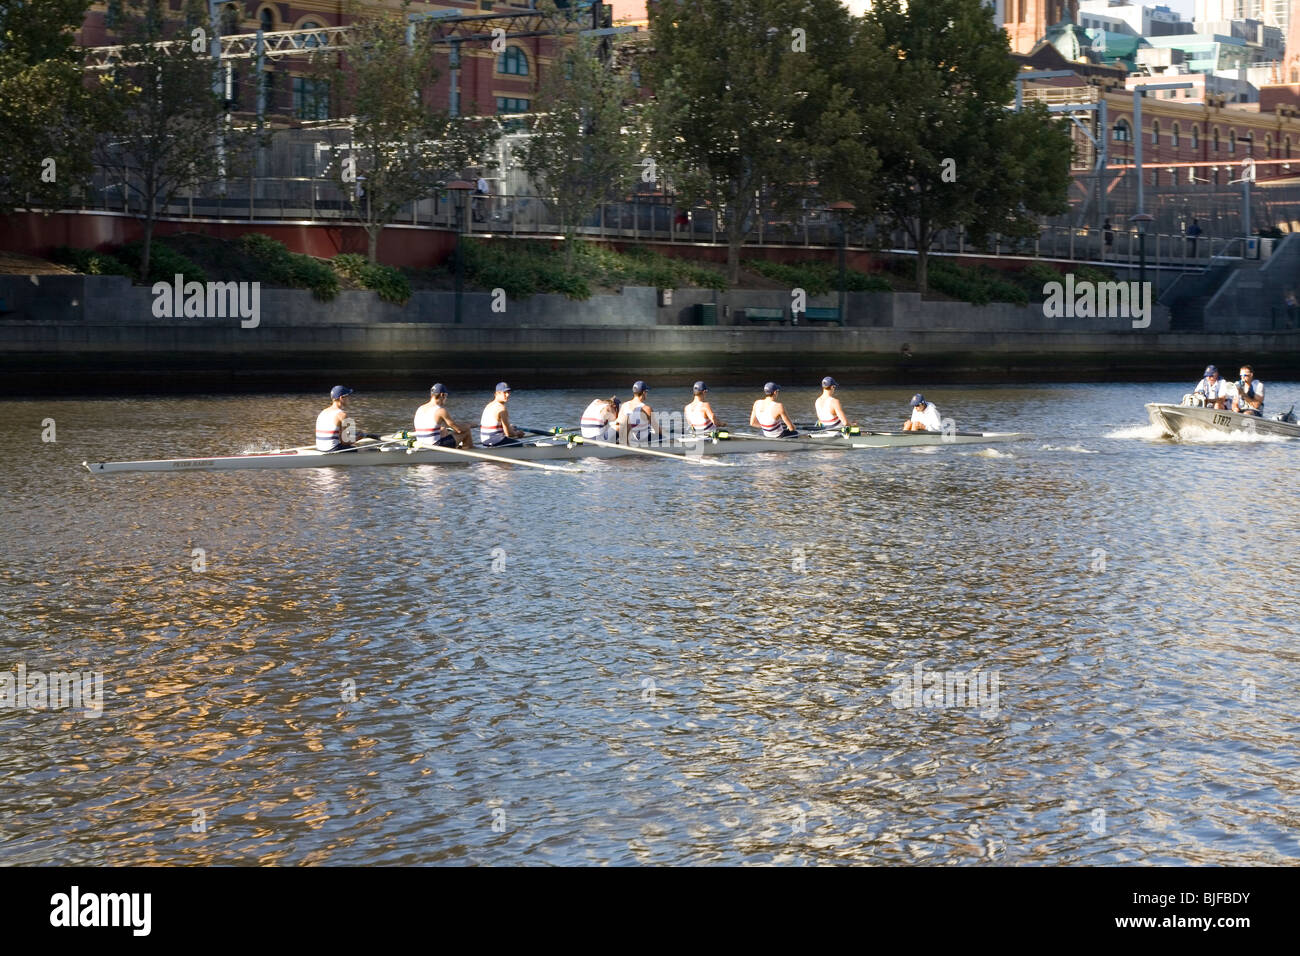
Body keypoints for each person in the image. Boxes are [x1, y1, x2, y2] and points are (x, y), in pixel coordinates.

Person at [414, 383, 472, 448]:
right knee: (466, 431)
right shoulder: (441, 410)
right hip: (435, 446)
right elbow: (458, 430)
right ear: (442, 395)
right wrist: (469, 425)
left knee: (443, 430)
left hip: (422, 444)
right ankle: (470, 453)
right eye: (446, 396)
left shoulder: (420, 408)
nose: (446, 399)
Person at [316, 385, 367, 451]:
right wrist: (360, 437)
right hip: (332, 450)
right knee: (361, 449)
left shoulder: (322, 412)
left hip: (320, 449)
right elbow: (346, 442)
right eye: (348, 396)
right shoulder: (343, 415)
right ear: (341, 398)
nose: (349, 399)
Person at [480, 382, 526, 446]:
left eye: (508, 392)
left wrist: (510, 428)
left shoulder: (489, 405)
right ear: (497, 393)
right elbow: (509, 434)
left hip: (485, 442)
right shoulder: (501, 408)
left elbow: (496, 427)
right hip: (496, 442)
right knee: (524, 446)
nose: (507, 395)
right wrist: (518, 433)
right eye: (504, 392)